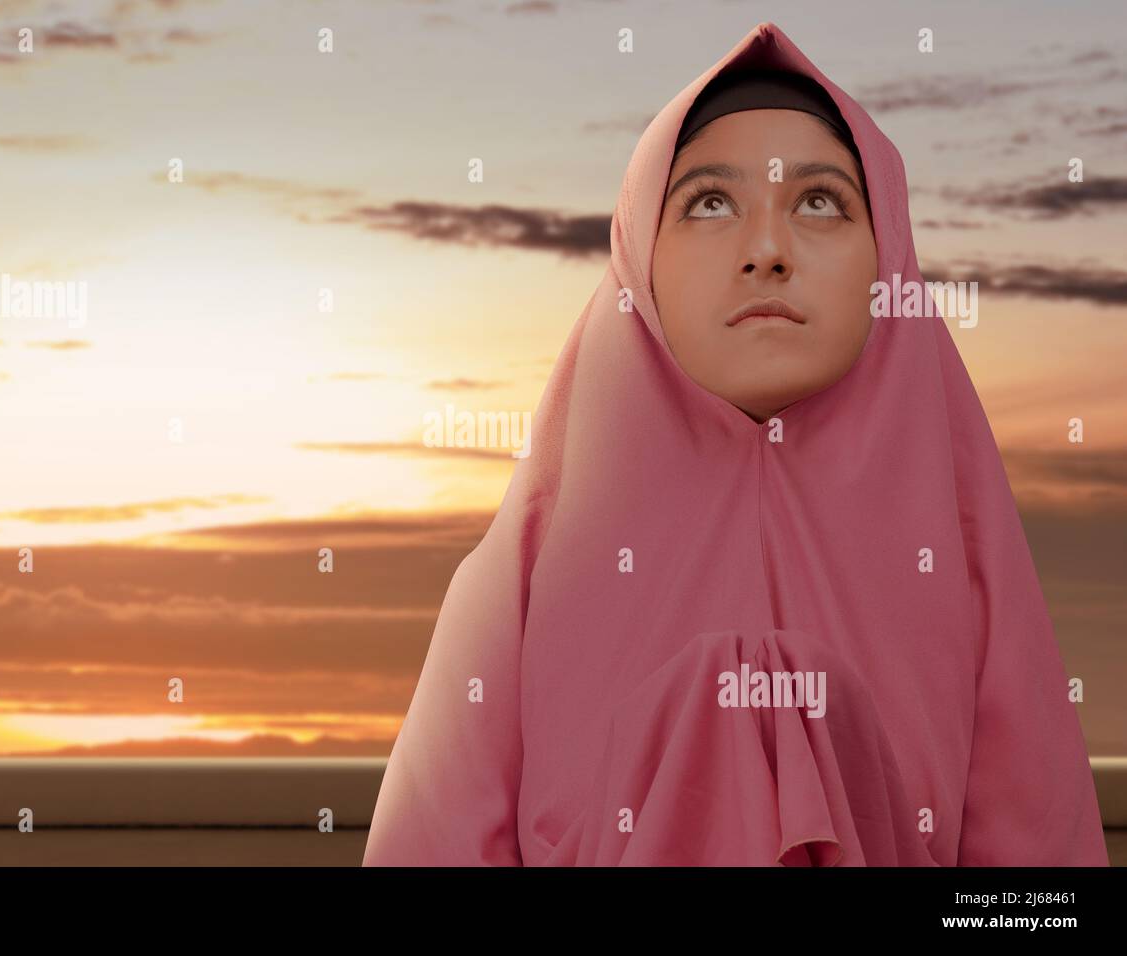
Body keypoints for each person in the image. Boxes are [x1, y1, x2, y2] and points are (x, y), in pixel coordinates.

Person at [362, 21, 1109, 867]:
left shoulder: (970, 558)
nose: (766, 251)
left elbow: (1037, 891)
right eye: (710, 203)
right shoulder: (524, 575)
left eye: (820, 202)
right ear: (640, 257)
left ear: (888, 257)